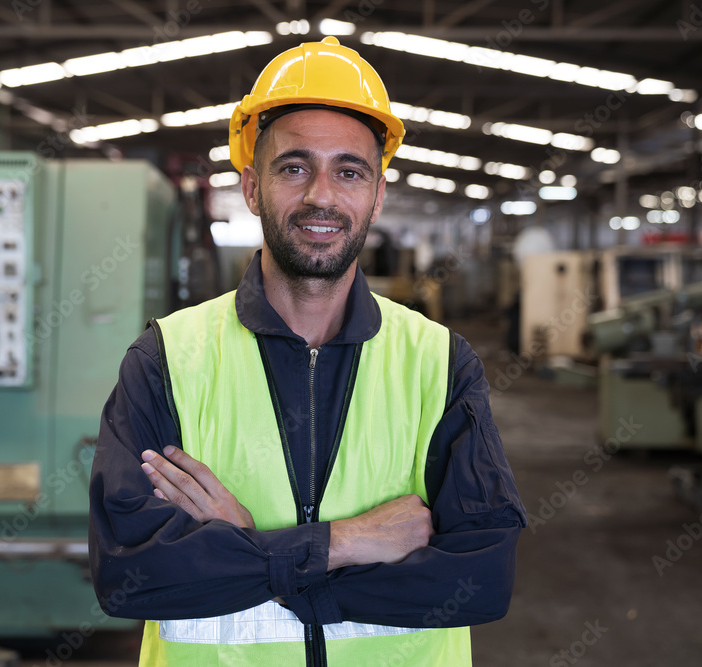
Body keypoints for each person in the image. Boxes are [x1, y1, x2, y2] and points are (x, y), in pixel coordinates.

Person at [89, 36, 526, 666]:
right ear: (250, 187)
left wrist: (248, 550)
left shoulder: (438, 362)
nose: (322, 195)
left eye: (349, 171)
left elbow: (480, 580)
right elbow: (130, 574)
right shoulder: (168, 359)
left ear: (376, 195)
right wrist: (341, 544)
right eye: (294, 167)